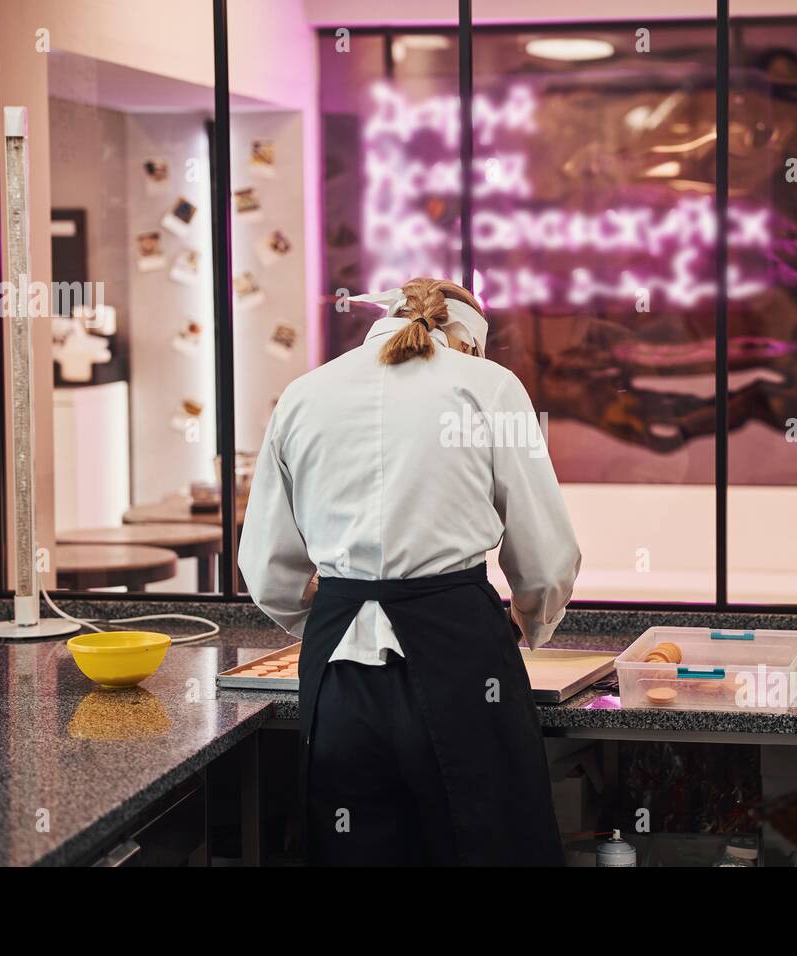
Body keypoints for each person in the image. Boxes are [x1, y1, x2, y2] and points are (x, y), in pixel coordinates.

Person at [239, 277, 582, 866]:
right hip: (462, 656)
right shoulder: (490, 387)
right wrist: (533, 622)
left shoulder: (304, 393)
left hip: (339, 675)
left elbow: (266, 565)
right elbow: (546, 555)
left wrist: (324, 621)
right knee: (486, 841)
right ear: (469, 342)